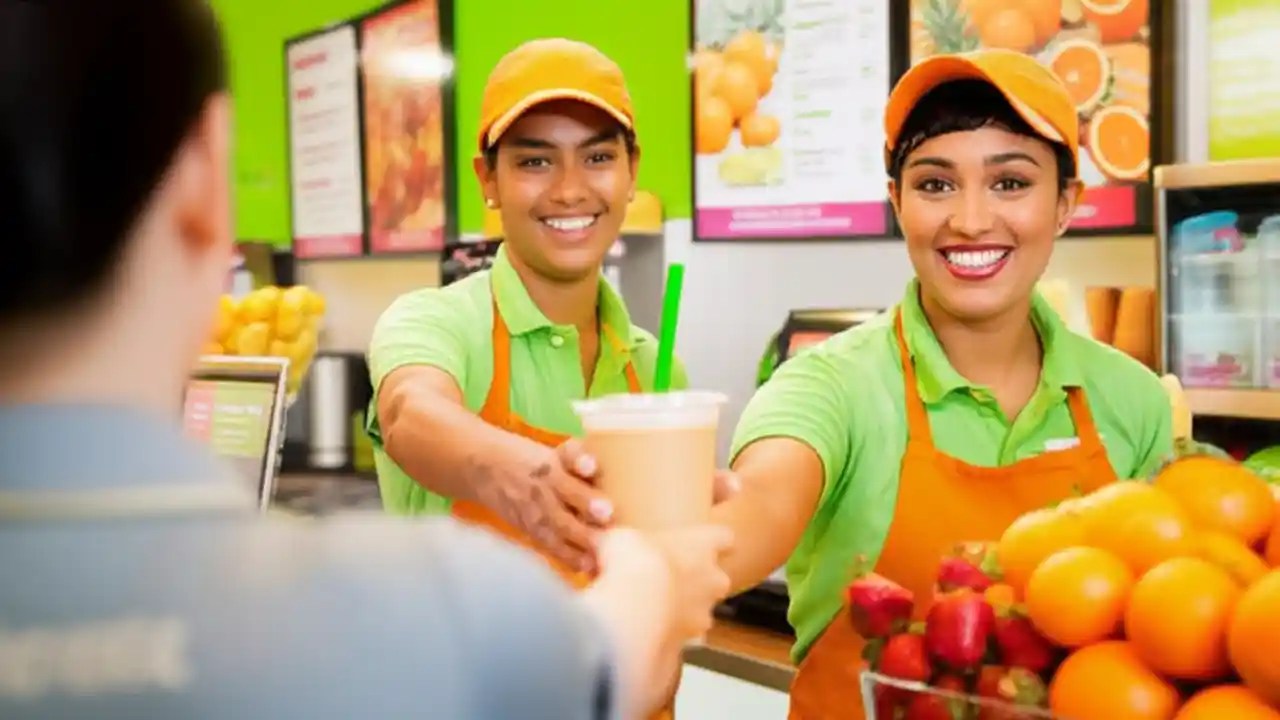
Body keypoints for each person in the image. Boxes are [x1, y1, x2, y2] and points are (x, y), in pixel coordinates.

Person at [0, 4, 730, 719]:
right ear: (204, 175)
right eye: (535, 159)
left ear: (633, 172)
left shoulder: (653, 365)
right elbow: (414, 411)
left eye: (598, 155)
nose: (570, 187)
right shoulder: (434, 616)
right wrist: (566, 510)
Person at [711, 50, 1174, 719]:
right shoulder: (830, 386)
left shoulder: (1133, 400)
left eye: (1011, 182)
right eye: (935, 185)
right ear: (898, 200)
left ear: (1067, 203)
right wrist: (699, 535)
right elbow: (760, 503)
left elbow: (1158, 619)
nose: (971, 220)